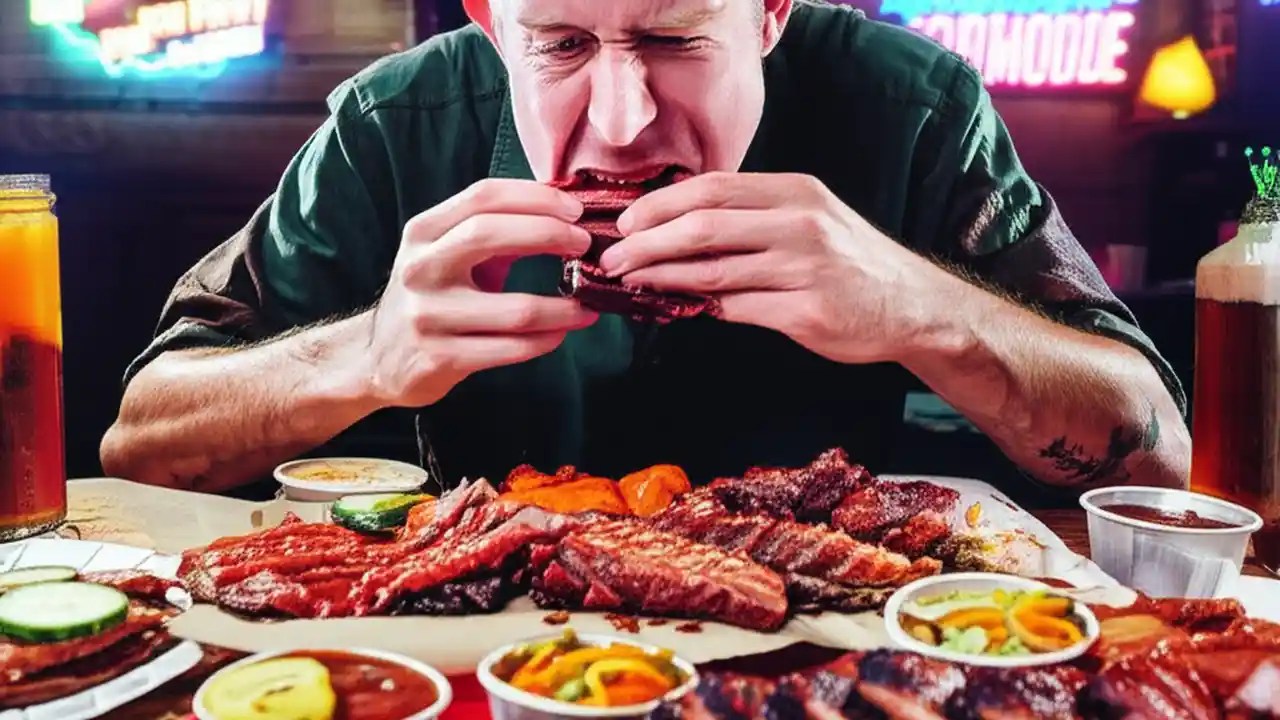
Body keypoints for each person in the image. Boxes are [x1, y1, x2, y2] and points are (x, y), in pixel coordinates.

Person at [101, 0, 1190, 495]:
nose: (620, 120)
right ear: (487, 19)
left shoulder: (910, 108)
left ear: (769, 14)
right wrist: (364, 356)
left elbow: (1158, 458)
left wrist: (923, 309)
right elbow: (140, 443)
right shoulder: (396, 125)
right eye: (561, 44)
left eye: (673, 39)